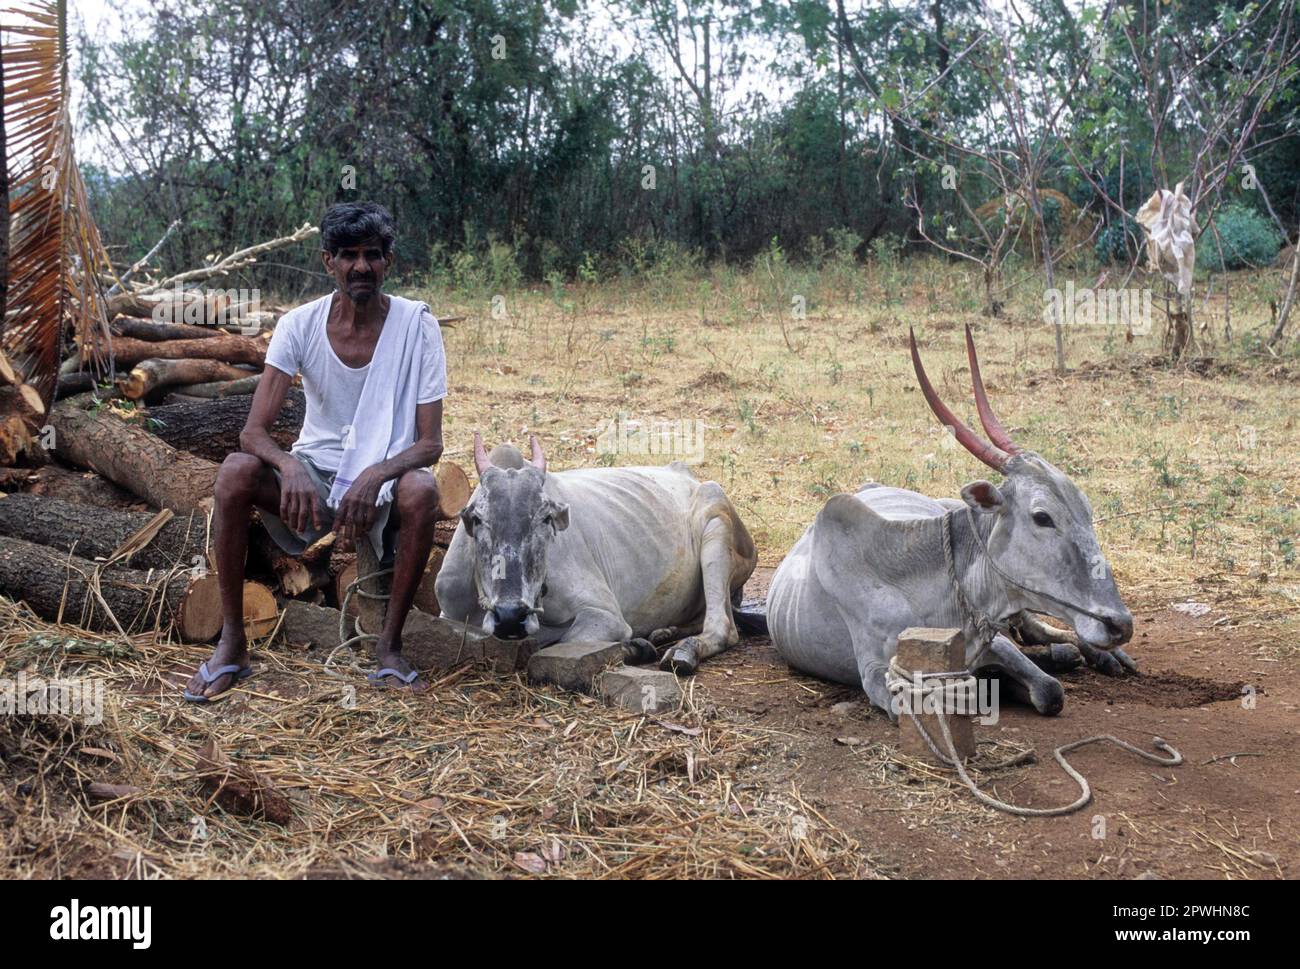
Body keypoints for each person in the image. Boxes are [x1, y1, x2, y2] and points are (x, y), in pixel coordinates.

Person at [182, 202, 445, 700]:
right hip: (313, 480)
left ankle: (388, 648)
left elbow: (430, 443)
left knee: (422, 488)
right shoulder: (299, 325)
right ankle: (233, 644)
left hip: (386, 480)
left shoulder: (416, 325)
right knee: (237, 472)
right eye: (348, 255)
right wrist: (289, 465)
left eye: (372, 254)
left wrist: (373, 475)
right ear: (328, 261)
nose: (361, 267)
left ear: (388, 260)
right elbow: (253, 433)